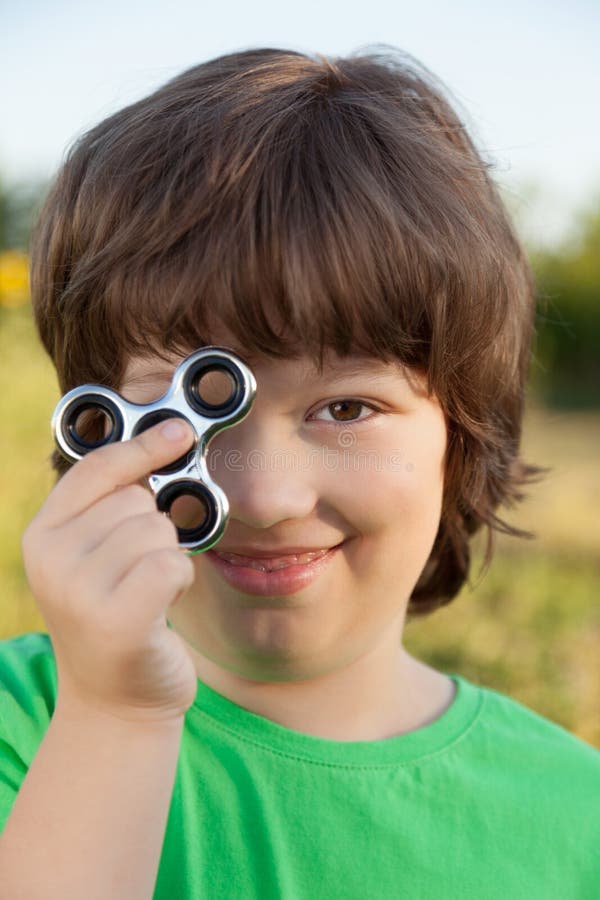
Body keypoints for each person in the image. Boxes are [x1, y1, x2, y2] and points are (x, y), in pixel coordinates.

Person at [0, 46, 598, 900]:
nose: (266, 498)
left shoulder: (578, 820)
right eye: (191, 409)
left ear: (462, 435)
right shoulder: (23, 728)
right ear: (99, 432)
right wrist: (113, 716)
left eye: (347, 408)